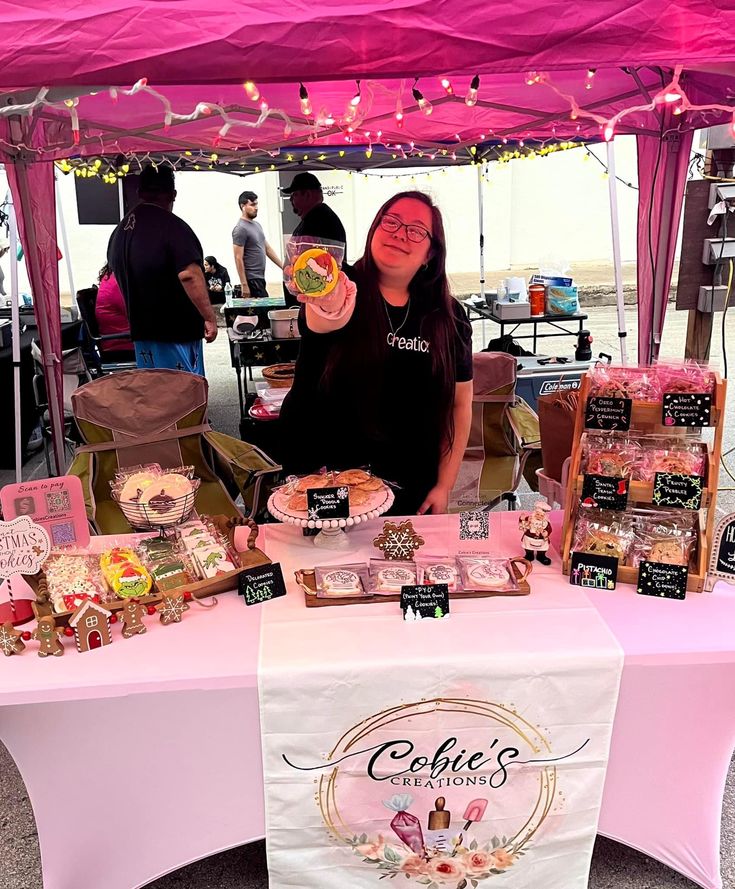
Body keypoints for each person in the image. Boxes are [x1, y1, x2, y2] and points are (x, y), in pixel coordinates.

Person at [279, 191, 473, 515]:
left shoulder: (447, 316)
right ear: (375, 229)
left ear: (430, 254)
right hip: (327, 481)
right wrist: (324, 295)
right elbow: (325, 316)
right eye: (392, 222)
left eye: (415, 230)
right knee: (327, 562)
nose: (399, 234)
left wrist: (445, 484)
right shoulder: (344, 284)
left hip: (409, 483)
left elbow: (461, 403)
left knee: (401, 565)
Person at [107, 164, 216, 375]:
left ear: (139, 192)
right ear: (173, 194)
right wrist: (209, 317)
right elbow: (189, 275)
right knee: (183, 398)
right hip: (175, 332)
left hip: (142, 333)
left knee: (153, 397)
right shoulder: (173, 227)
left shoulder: (120, 232)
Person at [281, 172, 347, 307]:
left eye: (294, 195)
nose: (291, 201)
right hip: (309, 300)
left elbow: (309, 265)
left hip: (314, 302)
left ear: (307, 195)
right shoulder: (316, 217)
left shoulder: (318, 220)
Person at [232, 191, 282, 299]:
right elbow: (238, 258)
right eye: (252, 205)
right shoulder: (240, 229)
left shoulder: (257, 225)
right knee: (263, 312)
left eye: (257, 204)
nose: (256, 207)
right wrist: (244, 284)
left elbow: (267, 248)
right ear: (243, 206)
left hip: (260, 278)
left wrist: (283, 266)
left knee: (261, 313)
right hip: (251, 280)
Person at [95, 264, 134, 361]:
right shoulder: (117, 283)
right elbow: (139, 314)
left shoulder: (111, 276)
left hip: (122, 341)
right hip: (123, 346)